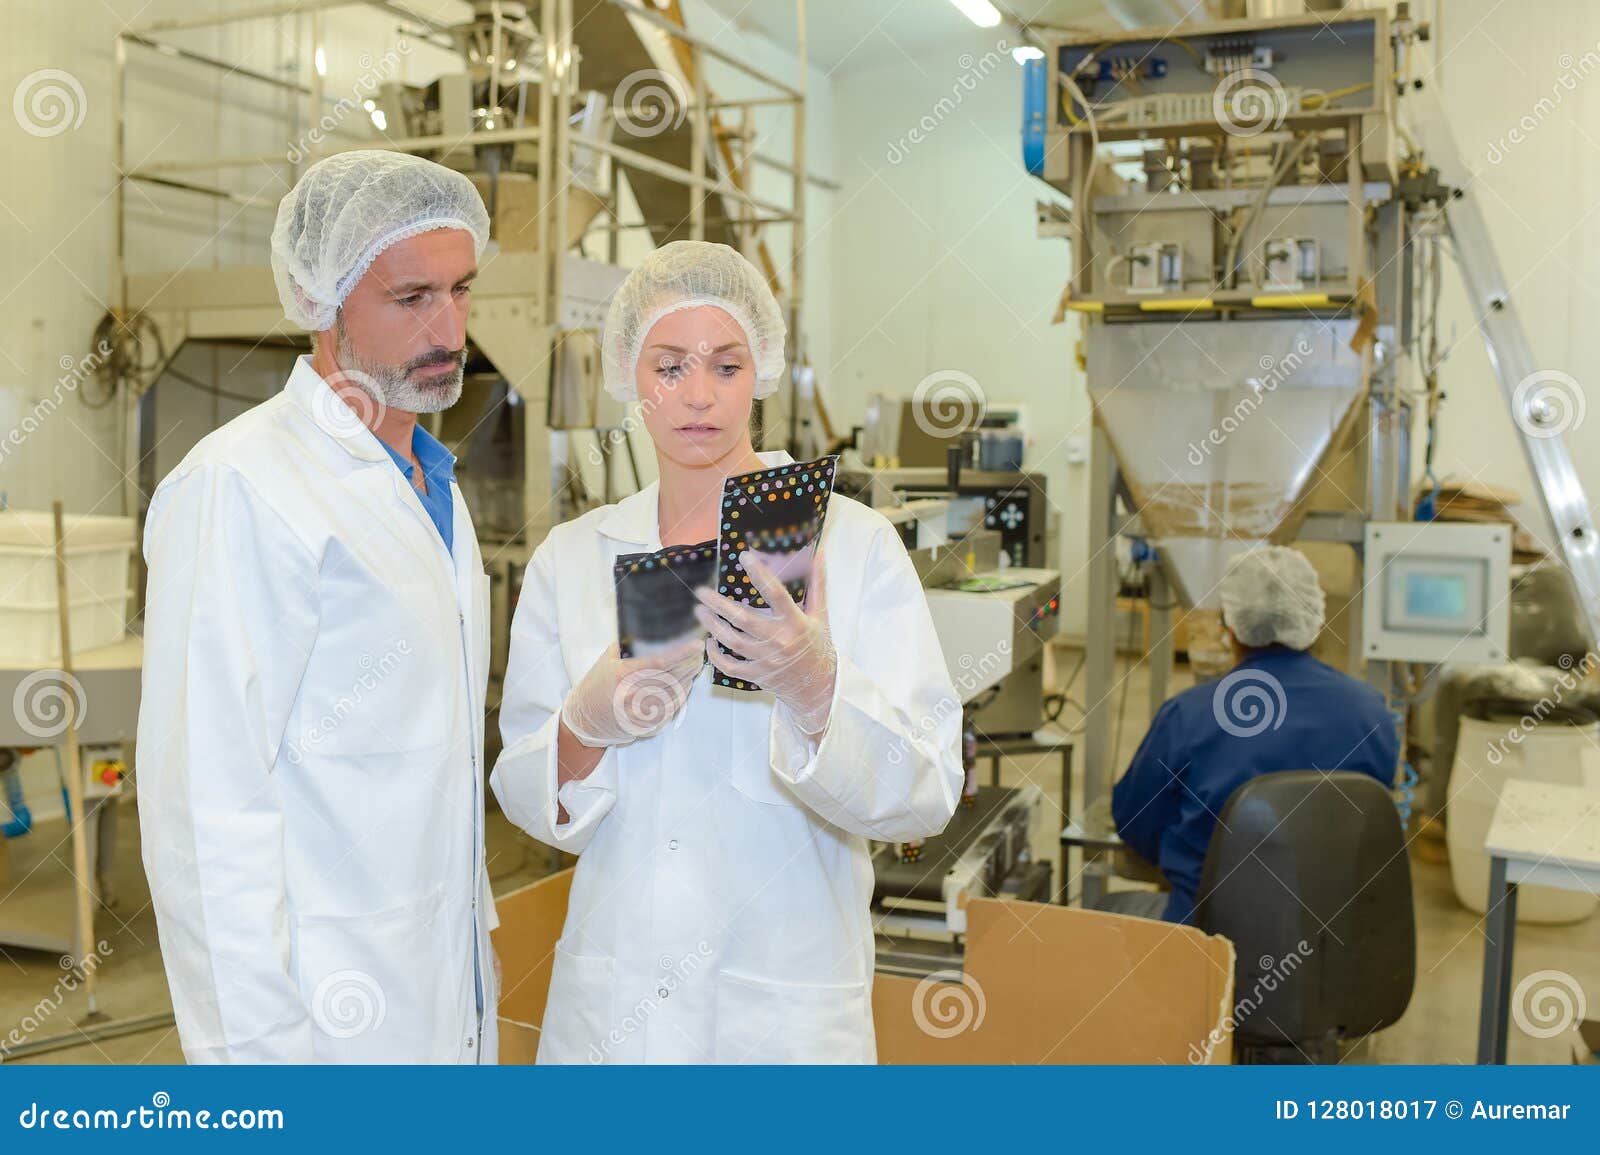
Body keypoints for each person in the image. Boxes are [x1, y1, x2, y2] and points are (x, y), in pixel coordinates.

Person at [491, 240, 963, 1064]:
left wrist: (817, 689)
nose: (699, 395)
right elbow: (528, 799)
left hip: (783, 1014)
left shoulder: (854, 546)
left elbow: (927, 793)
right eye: (669, 366)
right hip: (616, 1017)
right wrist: (584, 723)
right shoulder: (572, 558)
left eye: (726, 364)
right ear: (628, 377)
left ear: (763, 373)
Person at [138, 151, 498, 1063]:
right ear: (322, 301)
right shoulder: (243, 485)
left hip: (441, 988)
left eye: (461, 289)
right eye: (412, 297)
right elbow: (205, 810)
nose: (450, 327)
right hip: (319, 1017)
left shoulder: (435, 485)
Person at [1104, 546, 1399, 924]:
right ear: (1314, 617)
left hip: (1209, 943)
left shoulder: (1188, 716)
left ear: (1230, 626)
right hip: (1334, 943)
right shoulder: (1372, 715)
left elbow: (1135, 824)